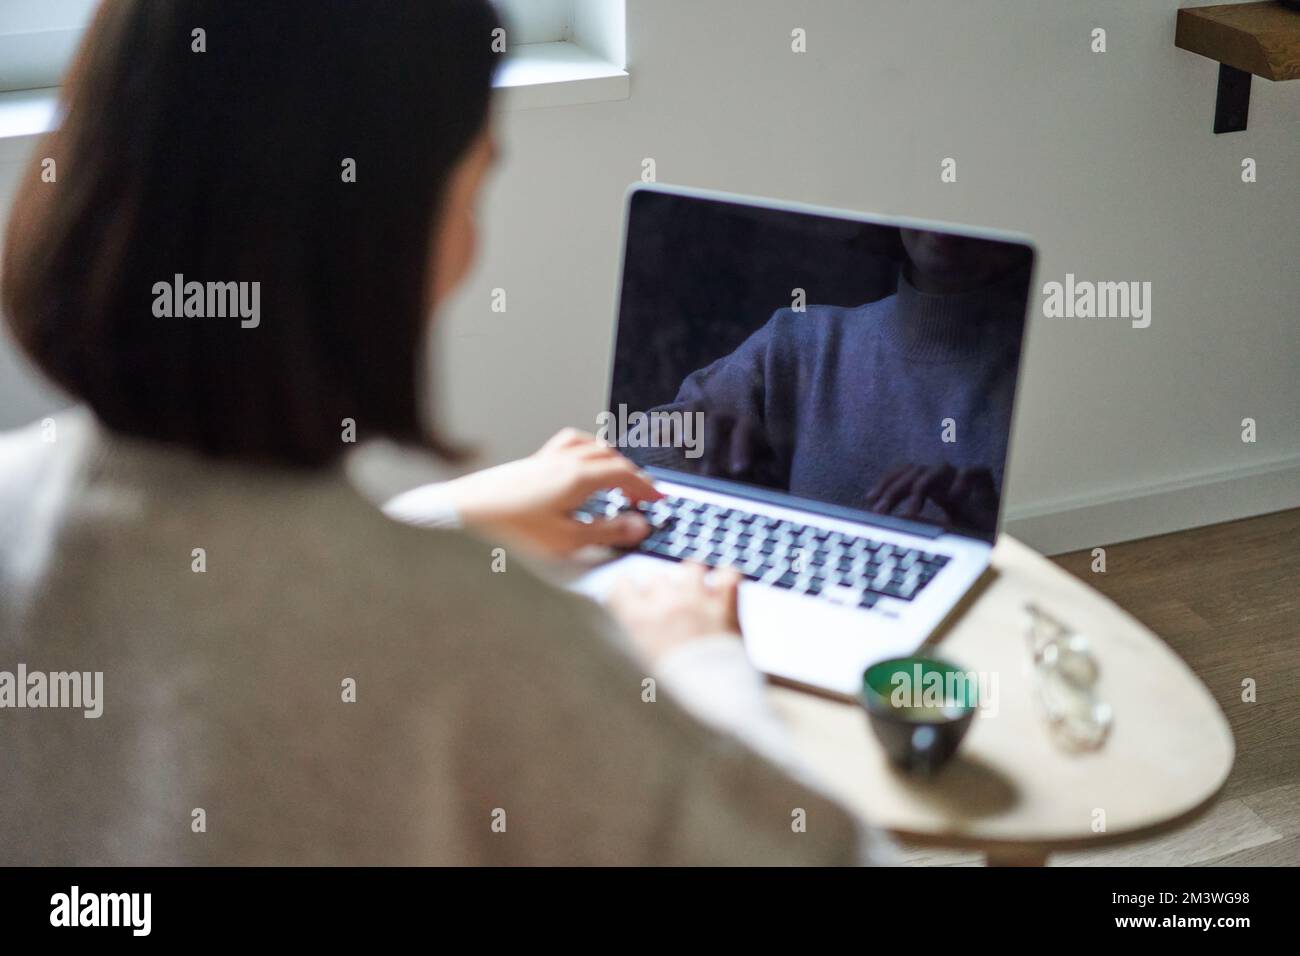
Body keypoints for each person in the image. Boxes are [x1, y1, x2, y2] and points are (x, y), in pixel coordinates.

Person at [0, 0, 875, 864]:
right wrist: (699, 665)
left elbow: (238, 589)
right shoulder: (486, 649)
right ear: (375, 233)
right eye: (474, 183)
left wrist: (439, 517)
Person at [643, 229, 1030, 536]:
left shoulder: (1041, 381)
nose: (948, 214)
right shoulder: (800, 340)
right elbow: (642, 448)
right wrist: (708, 464)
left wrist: (991, 535)